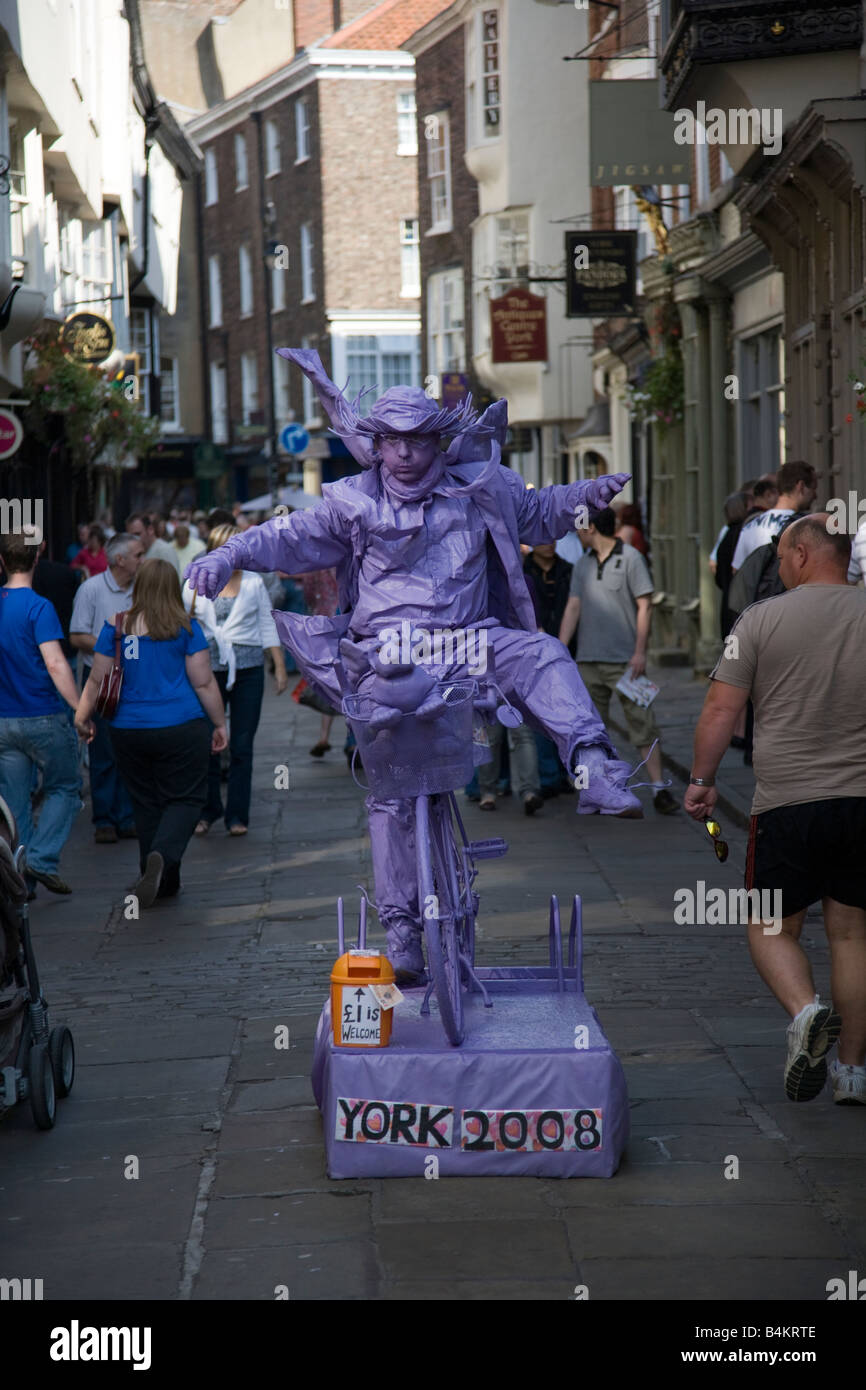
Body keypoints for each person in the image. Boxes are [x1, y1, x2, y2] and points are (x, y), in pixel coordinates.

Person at [186, 347, 636, 984]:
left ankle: (592, 764)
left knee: (542, 653)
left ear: (438, 442)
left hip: (471, 642)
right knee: (393, 790)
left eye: (417, 442)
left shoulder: (481, 488)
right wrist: (227, 554)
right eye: (391, 443)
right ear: (375, 445)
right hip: (389, 656)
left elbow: (540, 512)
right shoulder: (353, 505)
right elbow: (286, 538)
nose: (403, 455)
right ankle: (401, 926)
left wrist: (587, 494)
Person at [685, 516, 866, 1106]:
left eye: (784, 555)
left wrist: (702, 782)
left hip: (787, 802)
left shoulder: (759, 619)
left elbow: (720, 710)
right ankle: (851, 1074)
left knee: (770, 926)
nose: (780, 566)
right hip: (861, 803)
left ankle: (806, 1012)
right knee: (851, 933)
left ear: (804, 553)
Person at [74, 560, 227, 906]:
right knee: (187, 799)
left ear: (138, 587)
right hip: (182, 726)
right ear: (173, 587)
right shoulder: (186, 628)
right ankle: (162, 855)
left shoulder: (117, 627)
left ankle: (159, 878)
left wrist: (82, 719)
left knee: (145, 803)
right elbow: (203, 682)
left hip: (128, 730)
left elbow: (97, 680)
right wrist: (220, 723)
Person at [559, 507, 680, 816]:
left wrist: (640, 651)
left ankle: (658, 789)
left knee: (643, 723)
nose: (576, 533)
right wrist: (560, 650)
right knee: (590, 734)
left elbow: (645, 607)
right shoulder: (581, 565)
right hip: (587, 660)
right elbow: (573, 607)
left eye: (579, 528)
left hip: (627, 662)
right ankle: (600, 792)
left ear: (591, 528)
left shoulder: (631, 559)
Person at [183, 524, 288, 836]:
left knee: (242, 745)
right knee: (208, 743)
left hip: (249, 669)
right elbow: (182, 624)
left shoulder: (254, 582)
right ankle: (209, 809)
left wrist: (279, 665)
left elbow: (267, 624)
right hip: (206, 670)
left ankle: (237, 815)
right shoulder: (193, 581)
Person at [0, 529, 81, 896]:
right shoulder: (39, 607)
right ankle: (42, 859)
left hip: (4, 719)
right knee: (64, 786)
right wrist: (81, 708)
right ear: (37, 559)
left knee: (15, 801)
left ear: (2, 561)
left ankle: (21, 878)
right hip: (43, 713)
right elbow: (55, 663)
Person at [70, 533, 145, 843]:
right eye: (138, 555)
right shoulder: (92, 589)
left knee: (131, 749)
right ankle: (104, 819)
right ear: (120, 560)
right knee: (103, 750)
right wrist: (114, 647)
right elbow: (76, 635)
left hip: (136, 676)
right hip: (100, 675)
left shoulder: (141, 589)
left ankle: (127, 817)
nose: (143, 560)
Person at [730, 461, 817, 573]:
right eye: (814, 488)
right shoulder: (805, 526)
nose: (815, 496)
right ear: (801, 487)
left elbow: (736, 571)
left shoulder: (749, 527)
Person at [296, 567, 341, 757]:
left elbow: (308, 592)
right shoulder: (348, 556)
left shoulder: (317, 563)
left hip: (322, 621)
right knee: (353, 677)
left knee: (329, 679)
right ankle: (353, 741)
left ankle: (323, 737)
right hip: (348, 617)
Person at [31, 540, 83, 668]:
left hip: (31, 654)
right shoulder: (65, 572)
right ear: (43, 545)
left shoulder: (9, 583)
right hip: (64, 647)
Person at [125, 512, 182, 576]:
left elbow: (172, 581)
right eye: (130, 536)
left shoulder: (165, 550)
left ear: (150, 530)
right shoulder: (137, 552)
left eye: (137, 534)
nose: (134, 539)